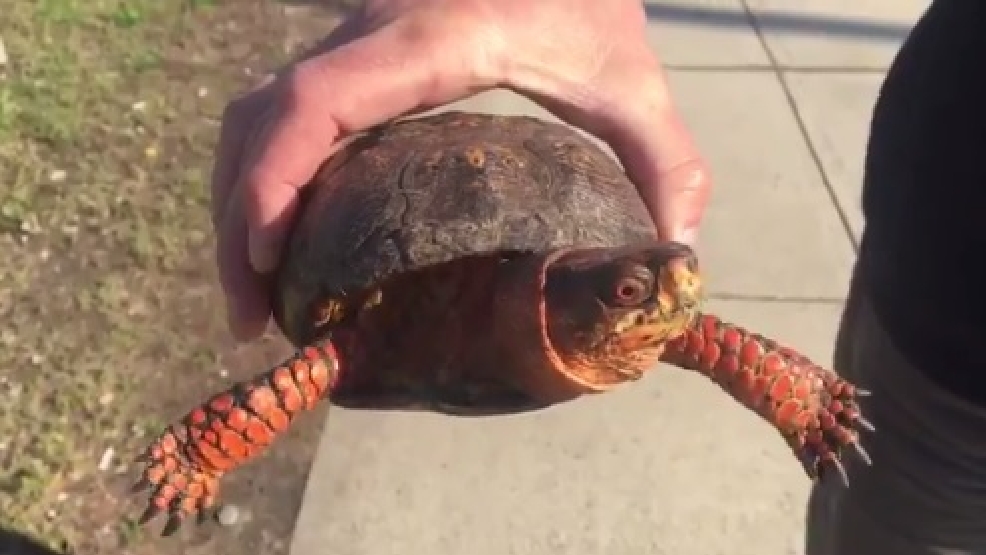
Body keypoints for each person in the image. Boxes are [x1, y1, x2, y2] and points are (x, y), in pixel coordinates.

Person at [209, 1, 986, 554]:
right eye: (631, 293)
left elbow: (710, 341)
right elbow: (323, 358)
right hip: (953, 323)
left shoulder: (647, 315)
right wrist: (205, 452)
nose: (672, 301)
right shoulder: (392, 315)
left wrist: (804, 402)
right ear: (554, 294)